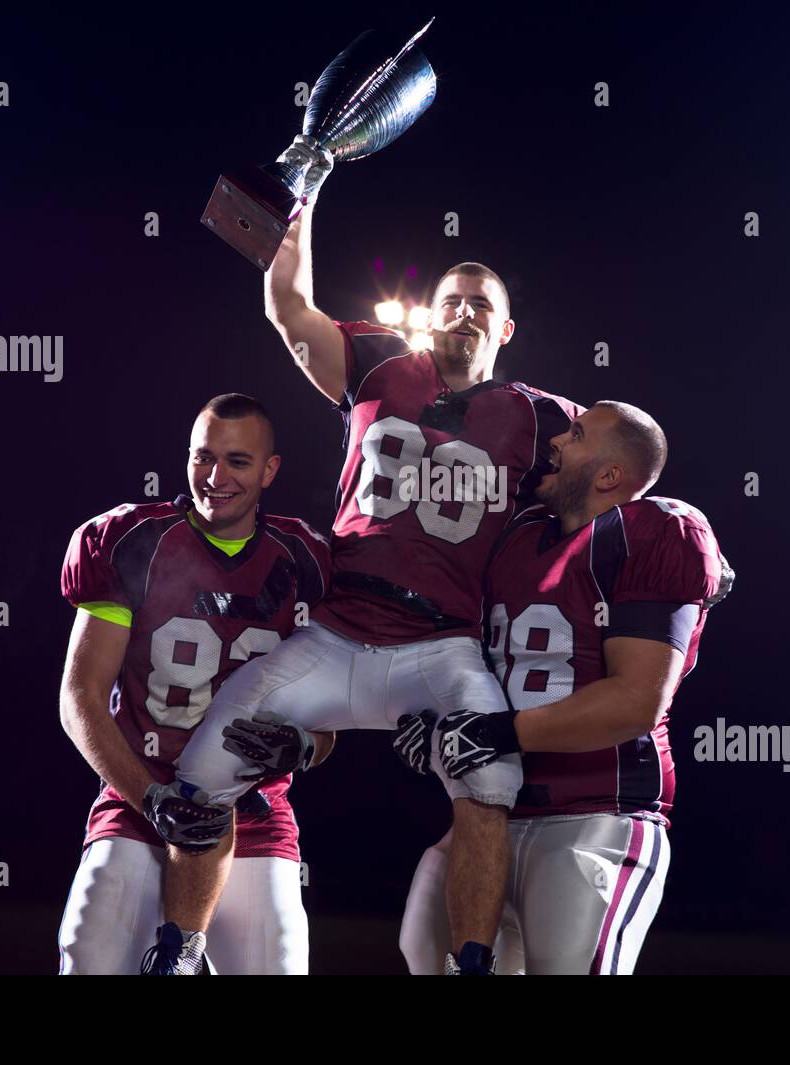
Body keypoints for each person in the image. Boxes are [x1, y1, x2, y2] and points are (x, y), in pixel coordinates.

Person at [144, 137, 582, 975]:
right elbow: (287, 304)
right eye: (449, 299)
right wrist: (305, 194)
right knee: (202, 771)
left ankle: (476, 967)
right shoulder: (380, 363)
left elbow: (618, 457)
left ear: (506, 327)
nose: (460, 313)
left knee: (489, 784)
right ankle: (178, 951)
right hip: (340, 633)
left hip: (444, 646)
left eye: (479, 305)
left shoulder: (537, 414)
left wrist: (674, 520)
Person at [393, 401, 734, 974]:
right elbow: (478, 666)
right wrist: (435, 722)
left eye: (575, 435)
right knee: (424, 947)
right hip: (491, 816)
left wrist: (501, 733)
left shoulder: (656, 529)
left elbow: (636, 702)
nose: (556, 441)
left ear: (609, 476)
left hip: (598, 816)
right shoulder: (520, 532)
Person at [57, 393, 334, 974]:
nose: (216, 477)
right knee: (88, 960)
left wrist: (306, 746)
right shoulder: (133, 540)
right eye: (203, 458)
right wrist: (152, 800)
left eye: (237, 461)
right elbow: (80, 699)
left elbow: (327, 720)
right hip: (139, 802)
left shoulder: (305, 559)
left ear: (269, 470)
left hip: (252, 813)